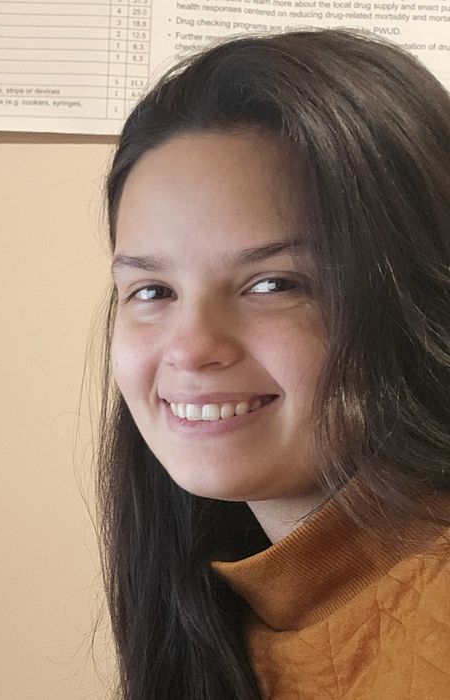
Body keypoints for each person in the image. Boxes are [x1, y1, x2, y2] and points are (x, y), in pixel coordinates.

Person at [98, 29, 450, 698]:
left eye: (274, 284)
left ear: (421, 300)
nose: (192, 347)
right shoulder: (230, 604)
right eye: (153, 291)